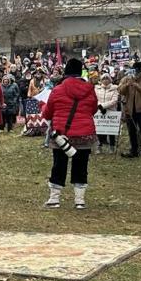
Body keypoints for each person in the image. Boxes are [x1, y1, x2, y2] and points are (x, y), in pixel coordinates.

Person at [41, 58, 98, 209]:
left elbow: (47, 112)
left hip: (62, 134)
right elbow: (93, 109)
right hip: (84, 134)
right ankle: (79, 201)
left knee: (59, 165)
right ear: (81, 72)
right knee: (81, 166)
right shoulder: (89, 89)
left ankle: (54, 199)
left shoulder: (57, 89)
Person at [117, 62, 141, 158]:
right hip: (129, 109)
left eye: (139, 71)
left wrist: (137, 86)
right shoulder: (126, 79)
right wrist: (126, 85)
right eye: (135, 71)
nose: (137, 73)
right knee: (131, 131)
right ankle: (134, 151)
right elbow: (120, 91)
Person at [94, 73, 120, 154]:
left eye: (107, 78)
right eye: (104, 78)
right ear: (101, 80)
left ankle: (112, 147)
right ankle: (99, 147)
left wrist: (103, 106)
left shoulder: (114, 88)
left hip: (111, 111)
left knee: (111, 131)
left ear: (110, 80)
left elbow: (114, 100)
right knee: (99, 130)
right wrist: (100, 106)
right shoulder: (97, 89)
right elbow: (95, 98)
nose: (105, 80)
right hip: (99, 112)